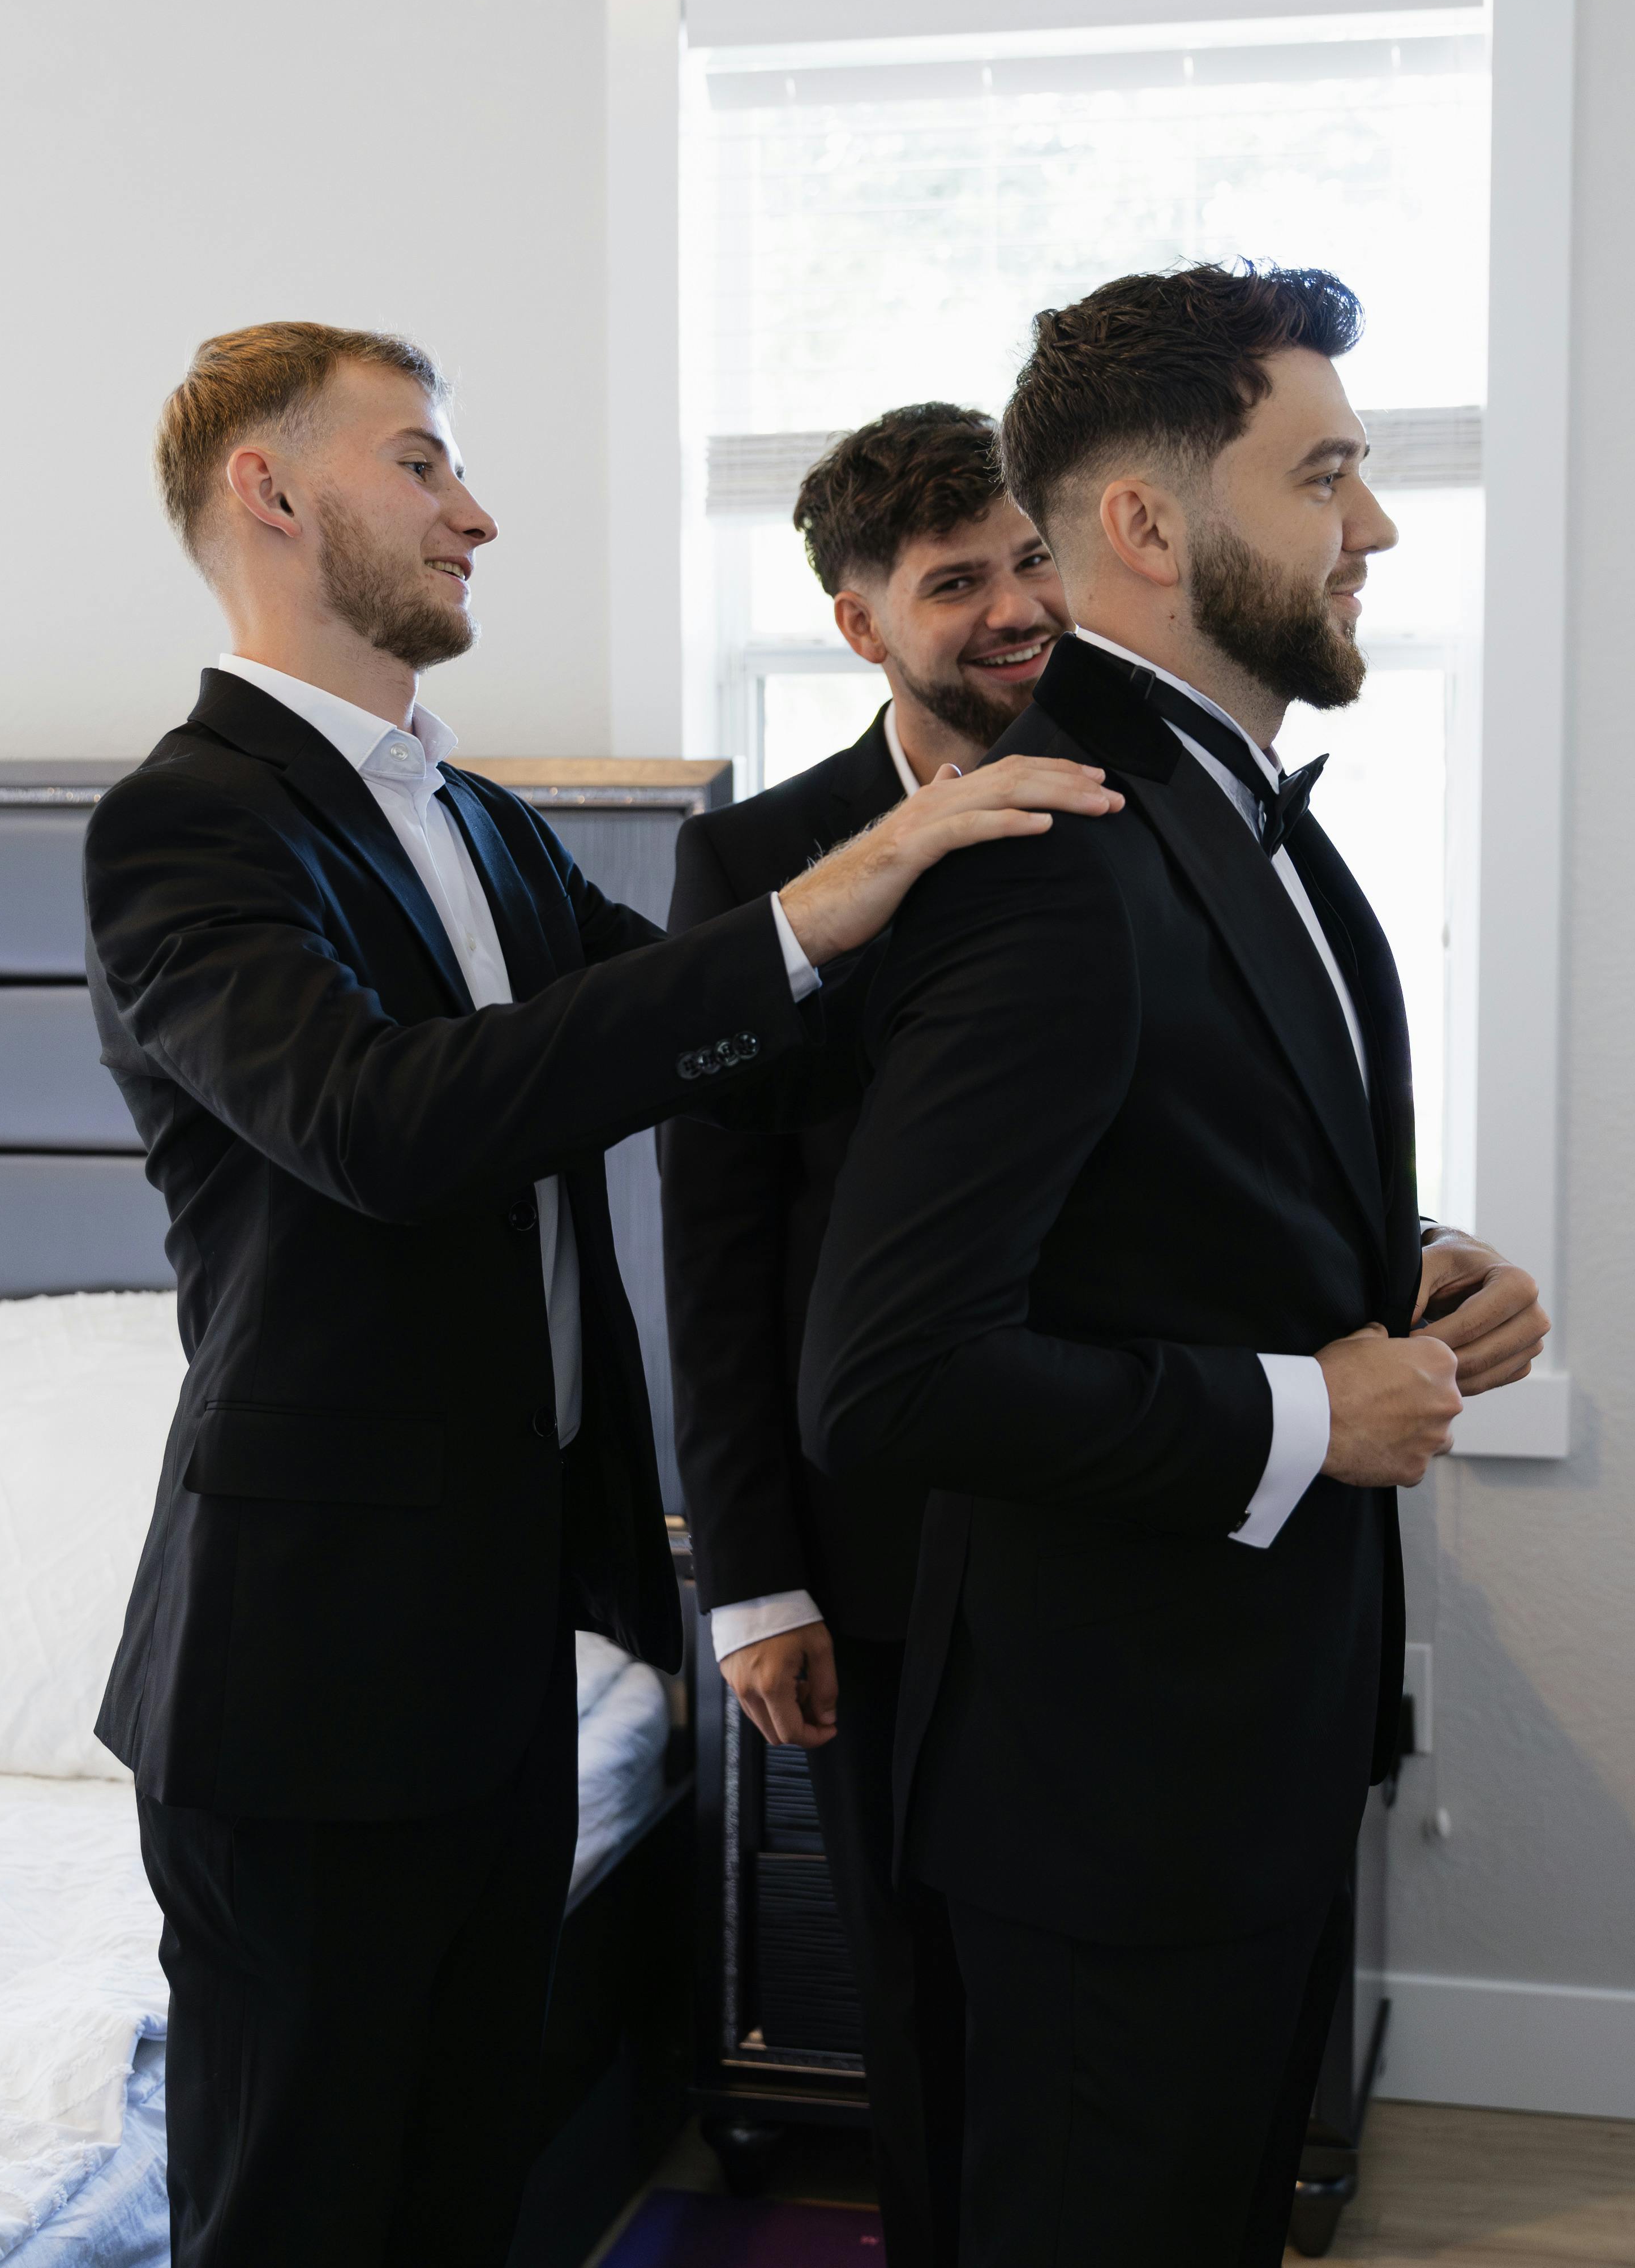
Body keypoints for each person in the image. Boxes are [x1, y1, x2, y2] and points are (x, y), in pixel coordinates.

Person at [82, 321, 1122, 2268]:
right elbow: (384, 1124)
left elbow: (760, 1061)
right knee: (296, 2214)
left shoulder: (479, 825)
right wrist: (820, 897)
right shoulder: (184, 825)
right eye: (425, 465)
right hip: (299, 1682)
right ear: (271, 487)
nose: (475, 514)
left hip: (503, 1647)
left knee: (462, 2195)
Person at [798, 266, 1551, 2267]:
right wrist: (1316, 1403)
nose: (1374, 529)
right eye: (1325, 477)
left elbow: (1166, 1193)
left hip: (1241, 1773)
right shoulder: (1049, 857)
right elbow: (891, 1372)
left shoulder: (1237, 825)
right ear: (1143, 526)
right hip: (1103, 1817)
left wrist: (1411, 1270)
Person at [661, 403, 1071, 2265]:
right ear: (859, 625)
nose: (1015, 608)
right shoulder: (754, 861)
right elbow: (720, 1233)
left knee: (1102, 2009)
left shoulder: (1148, 803)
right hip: (870, 1545)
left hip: (1117, 1502)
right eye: (957, 582)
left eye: (1029, 559)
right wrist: (752, 1580)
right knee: (914, 2000)